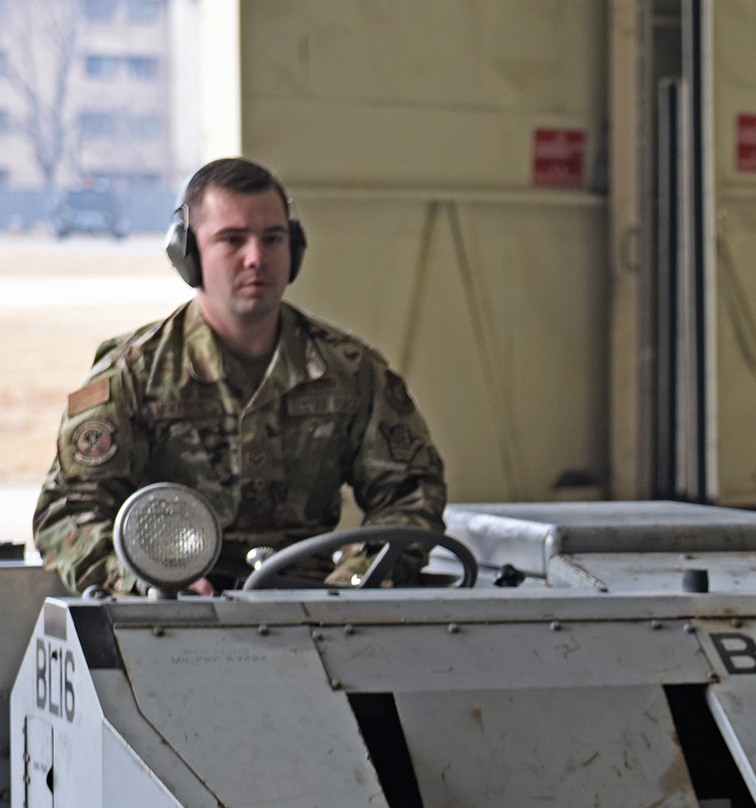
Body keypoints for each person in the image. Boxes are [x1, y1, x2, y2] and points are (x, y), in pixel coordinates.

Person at [31, 157, 446, 594]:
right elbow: (68, 512)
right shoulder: (132, 375)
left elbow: (410, 493)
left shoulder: (352, 370)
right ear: (187, 256)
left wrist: (357, 577)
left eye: (273, 239)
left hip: (319, 611)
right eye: (232, 240)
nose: (256, 258)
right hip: (173, 614)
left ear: (295, 249)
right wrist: (141, 581)